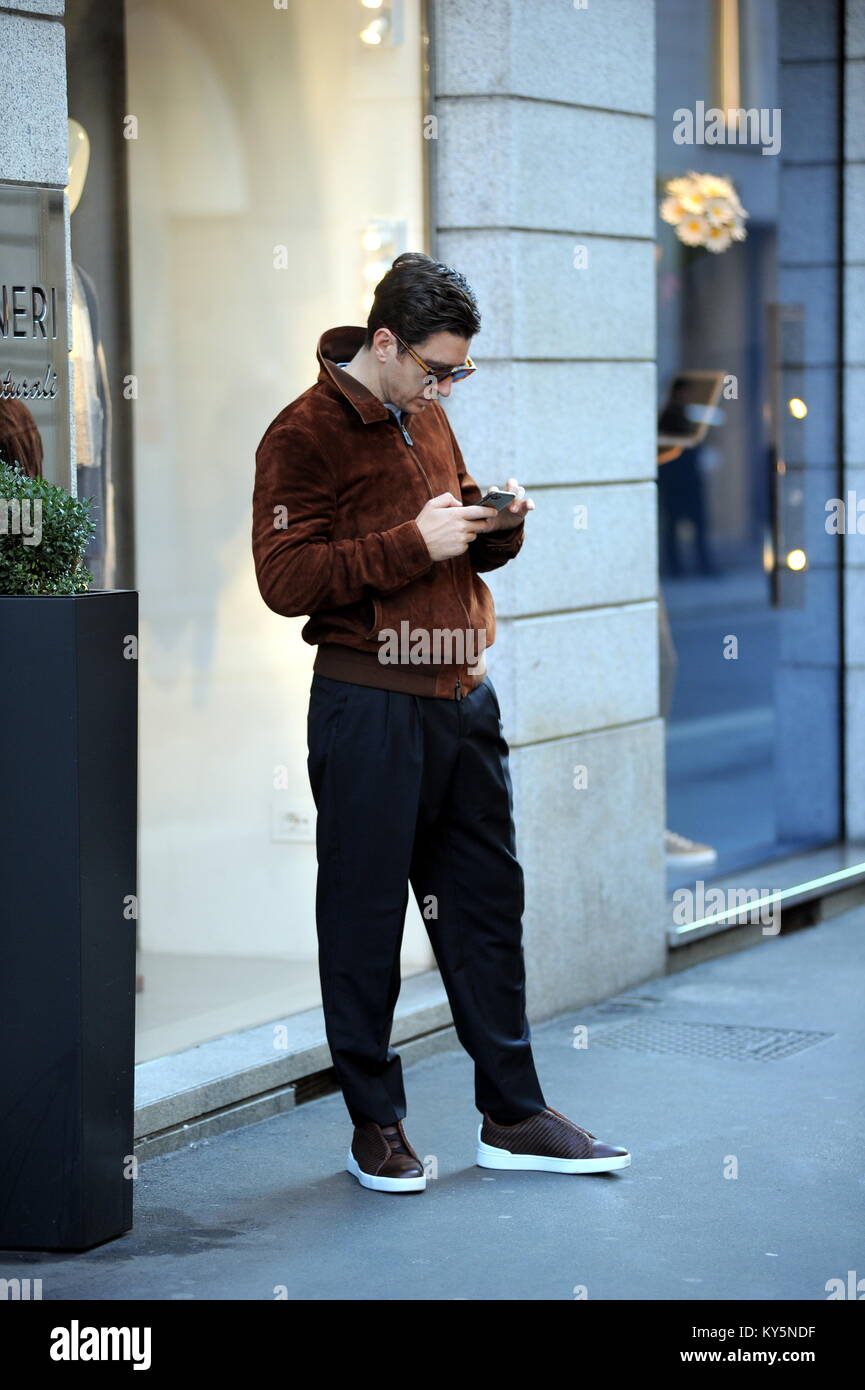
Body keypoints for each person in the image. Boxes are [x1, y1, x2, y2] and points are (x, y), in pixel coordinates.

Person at [251, 252, 631, 1191]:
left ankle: (511, 1114)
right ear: (384, 343)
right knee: (365, 919)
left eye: (457, 371)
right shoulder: (300, 433)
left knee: (486, 912)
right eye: (436, 367)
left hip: (462, 698)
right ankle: (375, 1126)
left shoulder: (424, 413)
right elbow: (283, 578)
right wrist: (411, 541)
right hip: (368, 703)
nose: (446, 386)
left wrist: (493, 526)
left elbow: (454, 553)